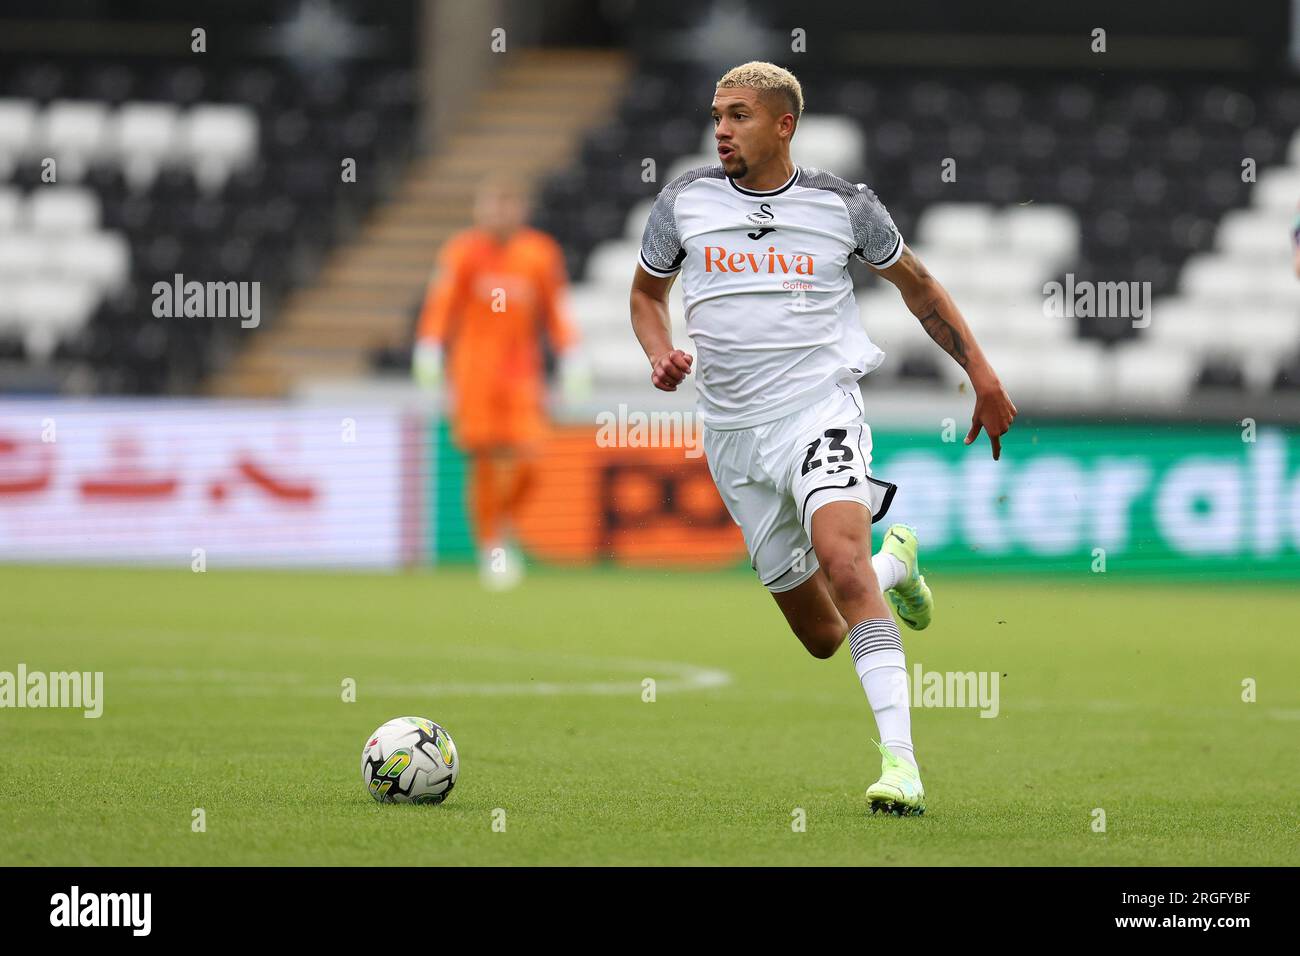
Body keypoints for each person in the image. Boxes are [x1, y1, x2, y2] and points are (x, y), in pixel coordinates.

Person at [629, 62, 1017, 815]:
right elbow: (647, 294)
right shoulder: (685, 199)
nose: (720, 130)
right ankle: (895, 565)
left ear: (784, 124)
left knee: (842, 566)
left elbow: (919, 288)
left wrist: (982, 373)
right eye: (715, 115)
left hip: (819, 410)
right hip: (733, 437)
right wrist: (658, 351)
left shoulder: (843, 205)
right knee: (821, 634)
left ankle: (901, 766)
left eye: (738, 115)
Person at [415, 177, 587, 589]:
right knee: (486, 464)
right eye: (492, 205)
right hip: (474, 373)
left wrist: (571, 352)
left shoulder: (539, 253)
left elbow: (555, 308)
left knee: (532, 459)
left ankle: (502, 522)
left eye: (508, 206)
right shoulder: (462, 251)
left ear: (522, 211)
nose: (499, 215)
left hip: (521, 376)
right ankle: (491, 544)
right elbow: (442, 304)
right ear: (480, 210)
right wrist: (429, 345)